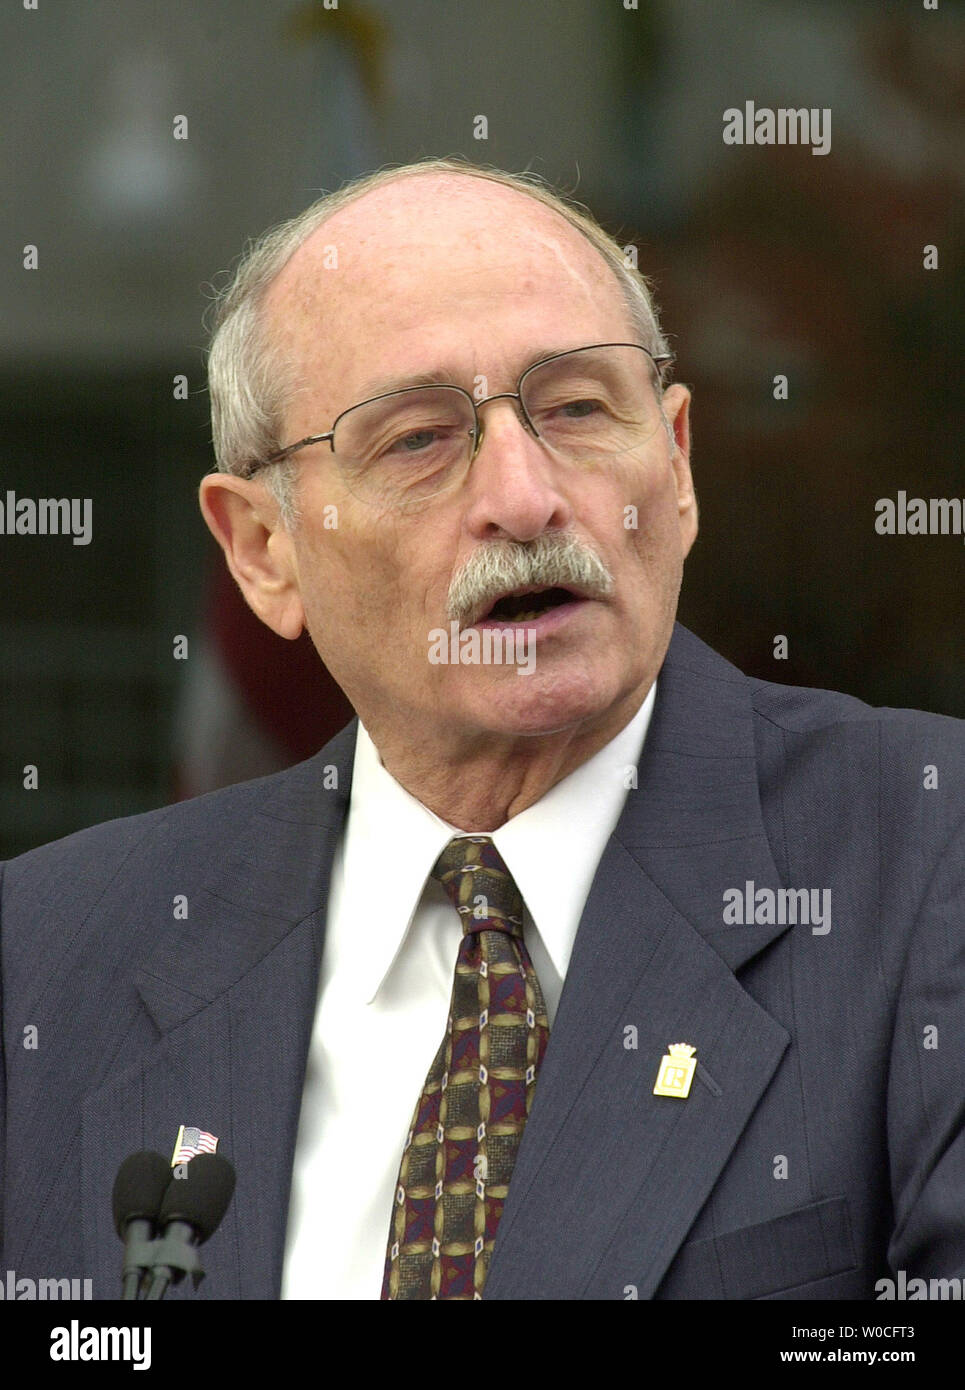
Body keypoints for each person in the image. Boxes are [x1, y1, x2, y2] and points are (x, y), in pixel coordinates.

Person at [1, 158, 963, 1301]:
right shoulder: (47, 960)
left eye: (574, 410)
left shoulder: (924, 859)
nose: (523, 496)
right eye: (416, 438)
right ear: (264, 548)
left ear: (679, 465)